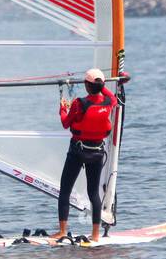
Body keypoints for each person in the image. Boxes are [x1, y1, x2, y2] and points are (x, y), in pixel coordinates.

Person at [48, 67, 117, 243]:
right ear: (101, 85)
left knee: (65, 190)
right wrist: (101, 86)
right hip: (97, 153)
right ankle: (95, 235)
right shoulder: (109, 102)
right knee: (93, 193)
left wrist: (63, 108)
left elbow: (65, 123)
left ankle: (62, 231)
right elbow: (110, 96)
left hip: (78, 152)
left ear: (87, 85)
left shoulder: (79, 104)